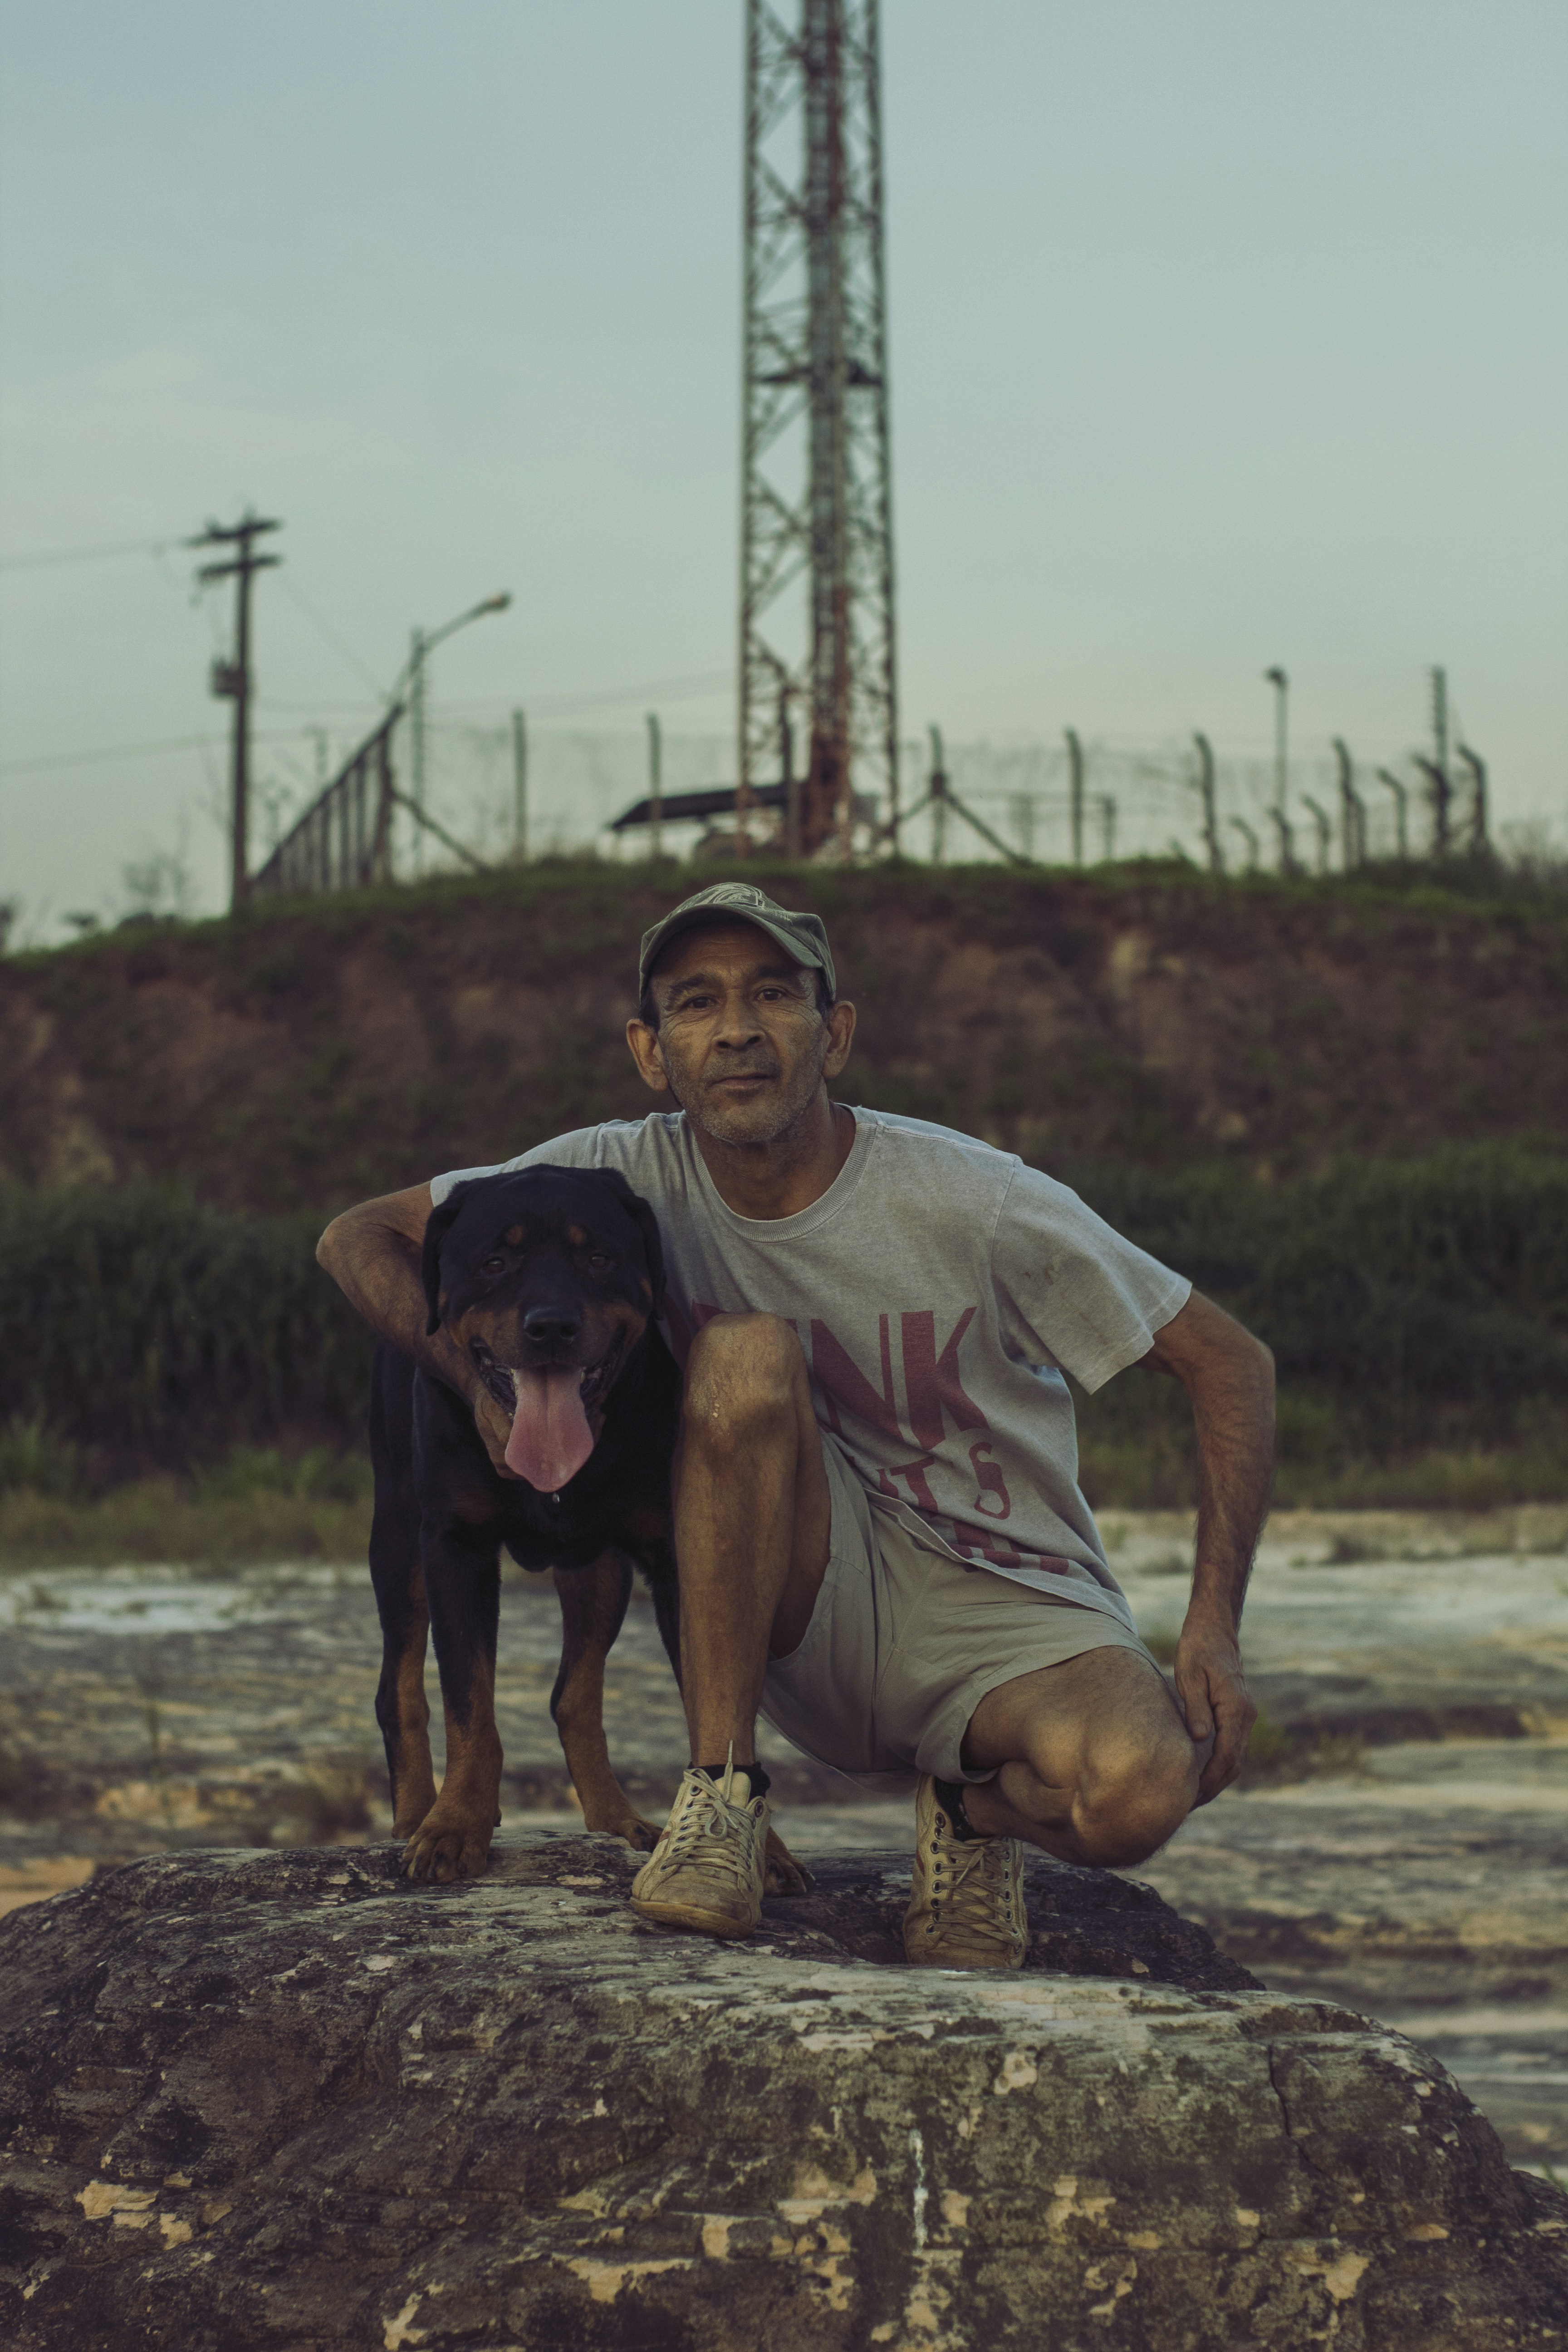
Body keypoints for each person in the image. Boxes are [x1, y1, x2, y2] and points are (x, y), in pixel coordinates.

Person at [318, 881, 1273, 1968]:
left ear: (837, 1034)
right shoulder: (615, 1174)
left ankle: (972, 1811)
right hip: (804, 1594)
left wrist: (1213, 1627)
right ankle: (722, 1799)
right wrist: (478, 1381)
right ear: (649, 1050)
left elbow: (1231, 1362)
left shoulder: (975, 1197)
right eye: (695, 1004)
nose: (735, 1029)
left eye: (774, 995)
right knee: (743, 1353)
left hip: (1010, 1602)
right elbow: (356, 1237)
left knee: (1144, 1792)